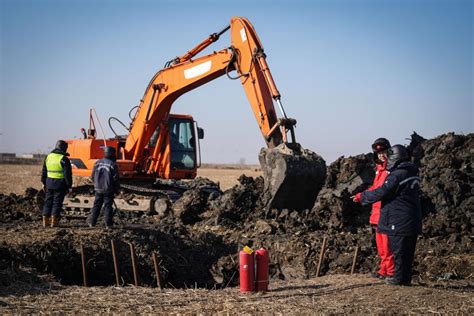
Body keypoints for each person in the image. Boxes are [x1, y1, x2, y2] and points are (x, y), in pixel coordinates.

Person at [357, 145, 422, 286]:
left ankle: (397, 278)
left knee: (397, 251)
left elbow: (382, 191)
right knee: (406, 253)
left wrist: (362, 197)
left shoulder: (397, 175)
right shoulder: (412, 173)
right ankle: (404, 278)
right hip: (411, 219)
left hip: (398, 220)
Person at [352, 138, 394, 279]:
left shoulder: (391, 170)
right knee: (381, 246)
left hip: (385, 212)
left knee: (388, 245)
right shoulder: (379, 170)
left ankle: (391, 272)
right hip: (377, 213)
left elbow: (381, 191)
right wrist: (362, 194)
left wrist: (362, 197)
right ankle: (384, 270)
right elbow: (375, 188)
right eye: (378, 153)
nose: (381, 155)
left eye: (383, 151)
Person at [41, 140, 73, 227]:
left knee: (48, 202)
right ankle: (54, 222)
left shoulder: (48, 157)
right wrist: (69, 186)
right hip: (59, 184)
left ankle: (45, 221)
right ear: (64, 148)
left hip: (49, 183)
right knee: (57, 203)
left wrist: (43, 183)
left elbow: (44, 171)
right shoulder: (64, 159)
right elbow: (68, 175)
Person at [87, 146, 120, 229]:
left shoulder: (97, 163)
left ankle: (92, 223)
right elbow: (115, 179)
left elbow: (93, 176)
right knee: (108, 206)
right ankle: (108, 224)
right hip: (108, 189)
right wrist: (116, 190)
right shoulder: (113, 165)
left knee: (96, 206)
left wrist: (96, 185)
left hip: (98, 189)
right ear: (112, 154)